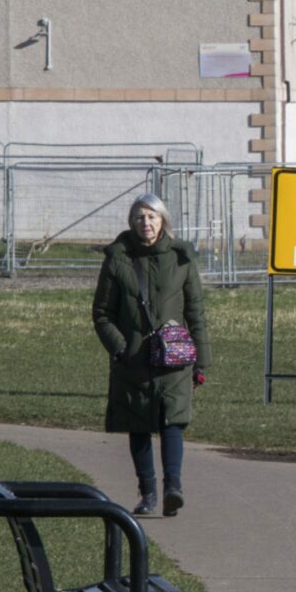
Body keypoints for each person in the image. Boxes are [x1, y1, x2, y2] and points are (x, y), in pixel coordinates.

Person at [91, 194, 209, 517]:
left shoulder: (181, 259)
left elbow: (196, 312)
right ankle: (148, 492)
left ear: (163, 221)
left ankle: (174, 487)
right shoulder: (117, 259)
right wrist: (121, 347)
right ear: (132, 222)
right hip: (135, 360)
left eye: (152, 217)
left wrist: (201, 361)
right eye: (140, 217)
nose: (146, 223)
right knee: (139, 424)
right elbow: (102, 314)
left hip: (175, 358)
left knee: (173, 420)